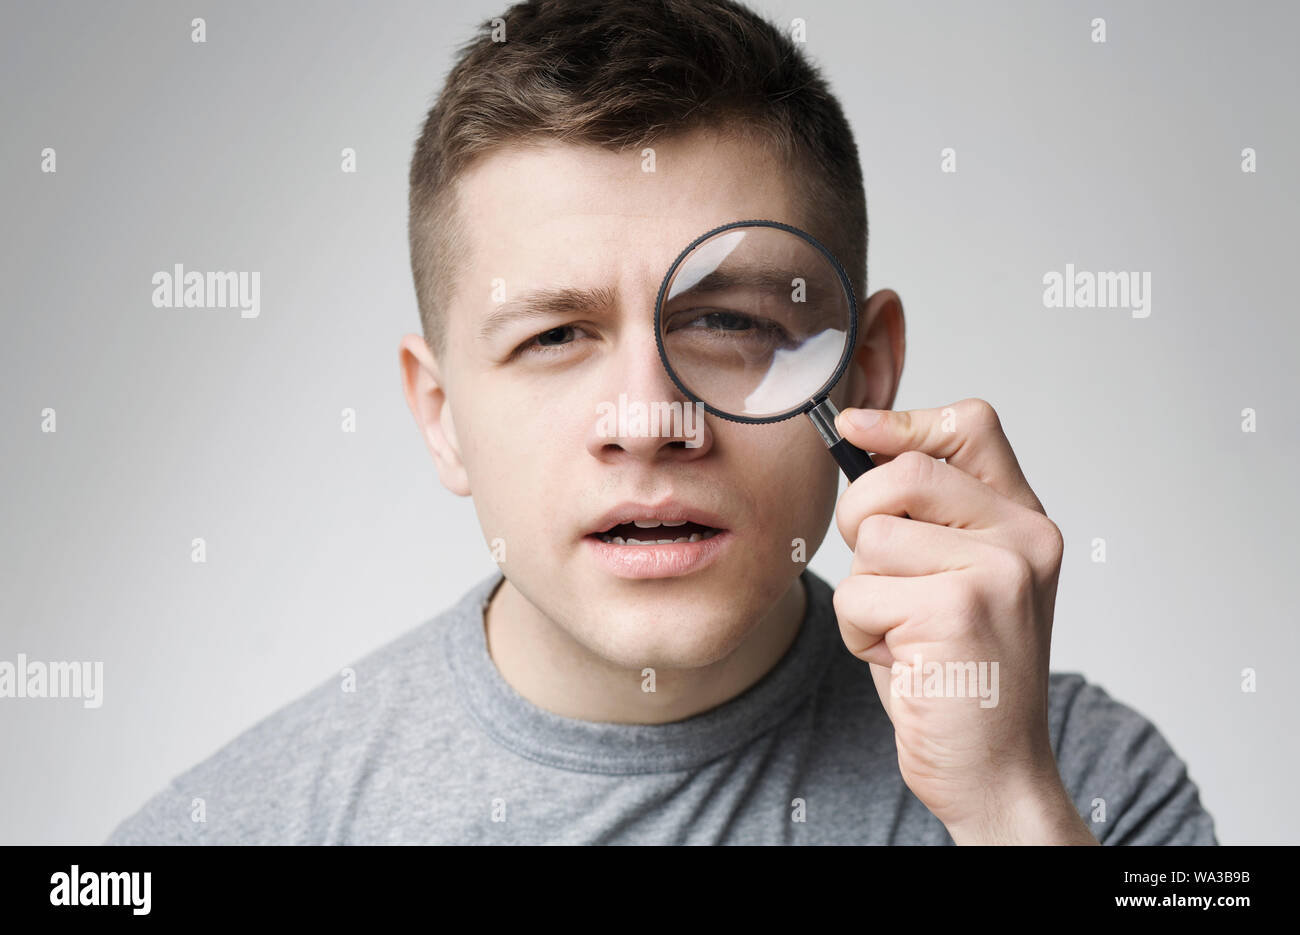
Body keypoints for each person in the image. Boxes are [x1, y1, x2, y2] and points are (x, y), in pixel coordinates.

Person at [106, 0, 1216, 845]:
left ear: (864, 375)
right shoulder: (224, 830)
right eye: (554, 336)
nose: (649, 420)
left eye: (728, 320)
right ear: (440, 417)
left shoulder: (1090, 781)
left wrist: (1008, 804)